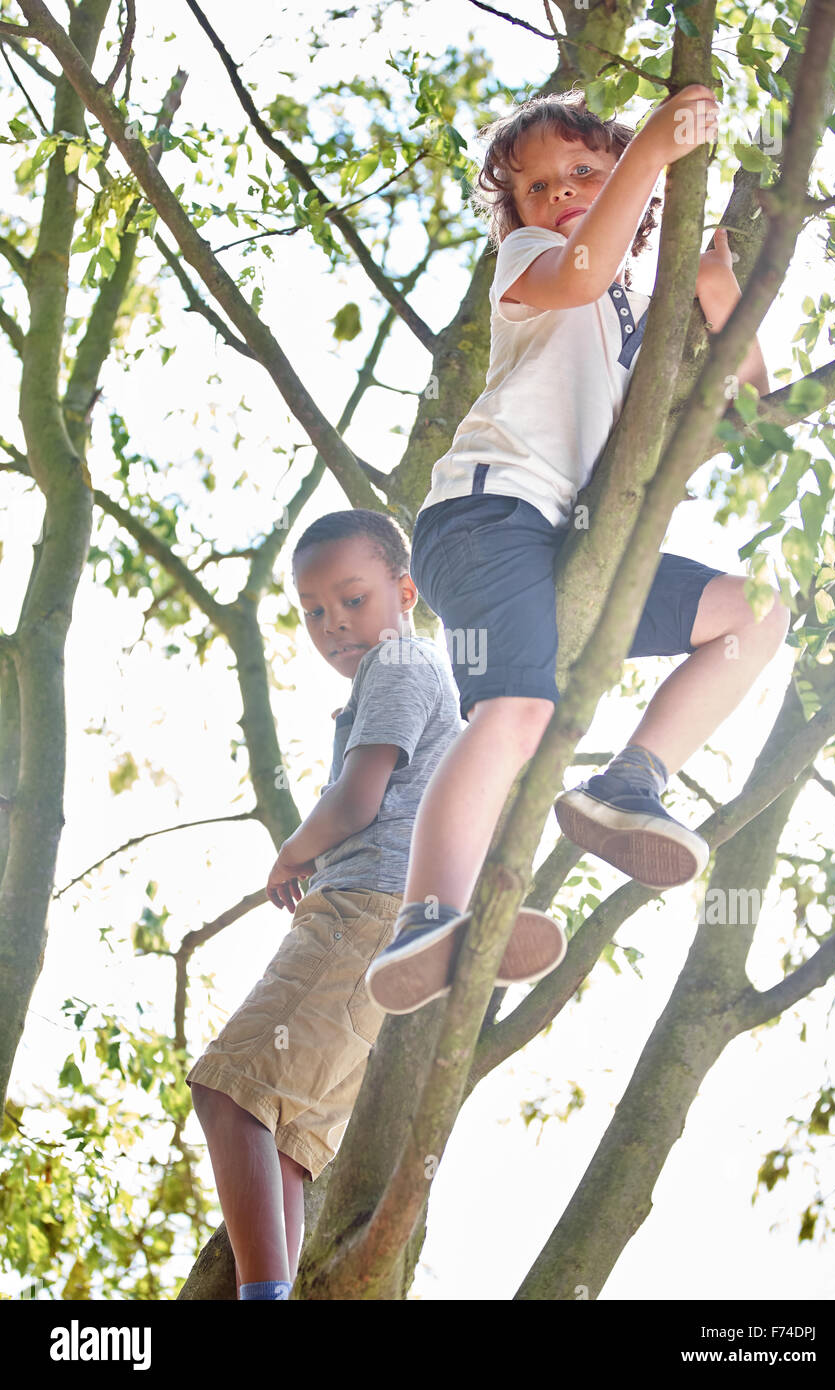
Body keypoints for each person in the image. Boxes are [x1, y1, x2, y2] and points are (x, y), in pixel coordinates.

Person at [366, 84, 789, 1016]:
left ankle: (631, 782)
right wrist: (650, 155)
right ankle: (428, 913)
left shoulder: (646, 314)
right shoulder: (533, 266)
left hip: (570, 545)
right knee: (515, 711)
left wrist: (719, 288)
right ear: (516, 217)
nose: (559, 191)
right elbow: (586, 270)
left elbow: (754, 412)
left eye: (584, 171)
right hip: (487, 516)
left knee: (757, 612)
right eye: (537, 186)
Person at [186, 509, 565, 1299]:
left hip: (363, 908)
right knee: (287, 1140)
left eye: (352, 599)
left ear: (406, 591)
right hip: (387, 926)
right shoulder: (419, 674)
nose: (333, 624)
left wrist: (294, 850)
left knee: (227, 1089)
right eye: (314, 611)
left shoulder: (396, 663)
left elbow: (359, 798)